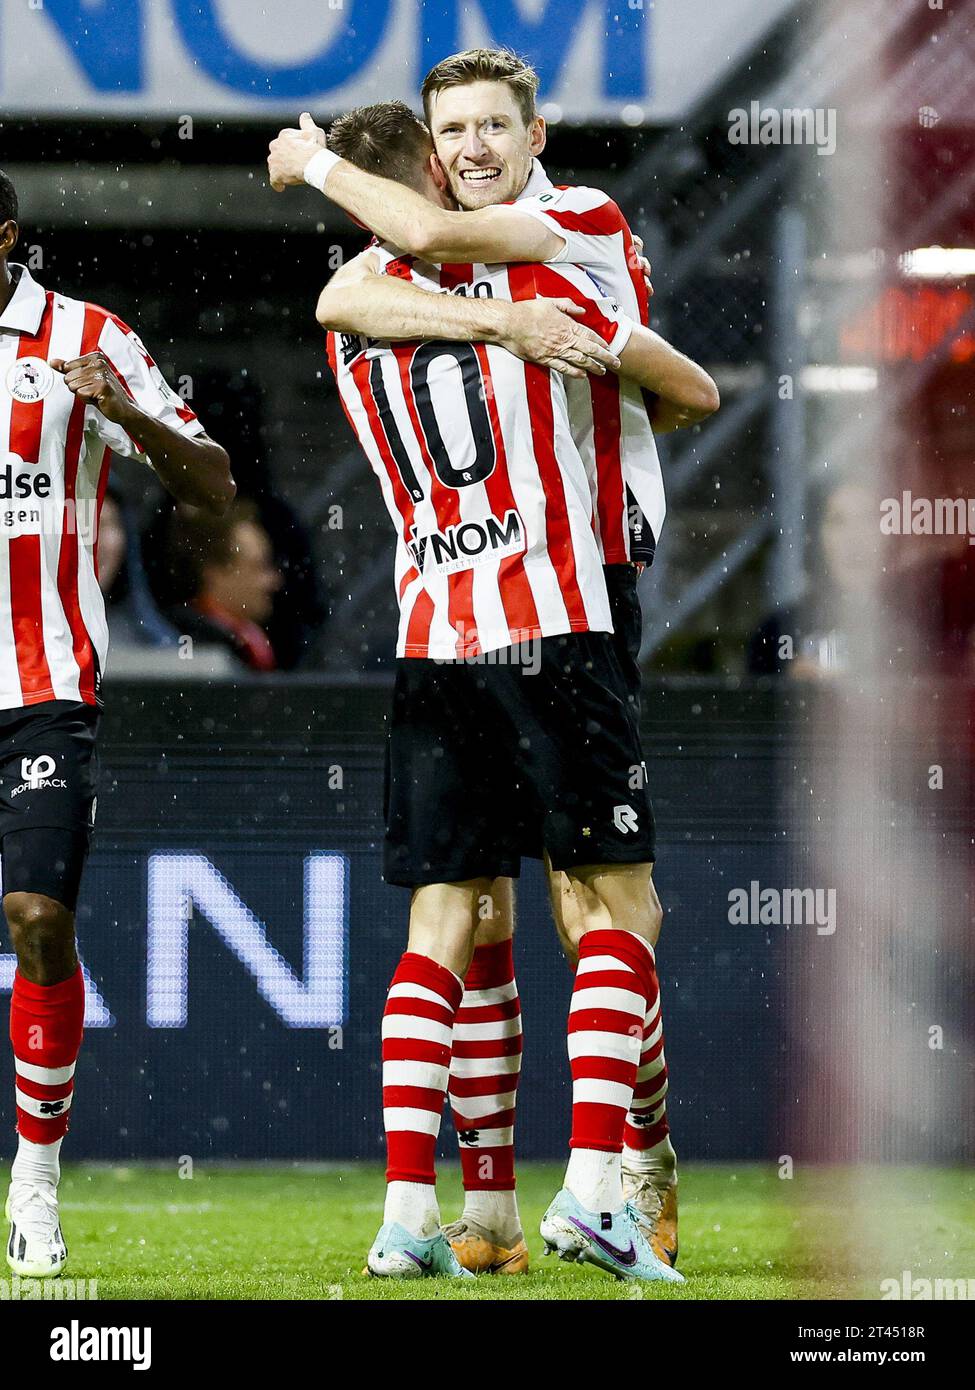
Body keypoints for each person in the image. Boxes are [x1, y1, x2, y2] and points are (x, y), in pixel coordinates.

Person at [269, 64, 717, 1283]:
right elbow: (699, 388)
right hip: (562, 612)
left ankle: (440, 1212)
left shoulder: (366, 298)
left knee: (456, 923)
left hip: (436, 636)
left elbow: (388, 259)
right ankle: (598, 1181)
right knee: (611, 913)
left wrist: (313, 166)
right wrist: (567, 356)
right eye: (451, 131)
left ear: (535, 138)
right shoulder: (535, 269)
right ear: (426, 153)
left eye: (488, 127)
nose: (470, 148)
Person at [0, 168, 234, 1277]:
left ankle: (35, 1180)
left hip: (41, 683)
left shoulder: (85, 335)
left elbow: (215, 488)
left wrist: (125, 407)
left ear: (6, 234)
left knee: (38, 915)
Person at [165, 500, 282, 672]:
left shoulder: (247, 640)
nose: (274, 581)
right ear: (214, 572)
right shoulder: (190, 641)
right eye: (259, 567)